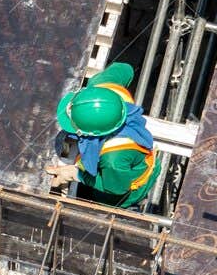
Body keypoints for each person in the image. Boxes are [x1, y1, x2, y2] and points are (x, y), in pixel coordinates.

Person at [51, 62, 161, 208]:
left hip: (124, 185)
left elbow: (116, 189)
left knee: (105, 200)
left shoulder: (113, 159)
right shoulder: (103, 88)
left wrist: (76, 175)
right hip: (118, 160)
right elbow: (126, 69)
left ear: (95, 133)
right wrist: (66, 159)